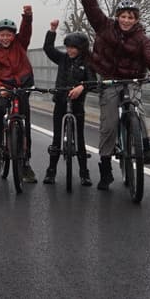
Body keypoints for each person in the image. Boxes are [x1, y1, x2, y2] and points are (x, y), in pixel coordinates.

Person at [76, 0, 150, 190]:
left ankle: (144, 147)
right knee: (109, 124)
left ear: (136, 20)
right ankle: (106, 168)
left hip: (133, 80)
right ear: (117, 16)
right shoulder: (105, 26)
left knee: (138, 109)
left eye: (131, 17)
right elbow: (92, 8)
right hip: (109, 79)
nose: (126, 20)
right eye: (123, 16)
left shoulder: (141, 38)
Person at [0, 8, 37, 184]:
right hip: (5, 88)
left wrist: (27, 16)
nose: (5, 38)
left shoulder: (20, 45)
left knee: (25, 124)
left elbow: (26, 30)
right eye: (2, 35)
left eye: (8, 35)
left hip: (23, 86)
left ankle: (26, 163)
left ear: (13, 36)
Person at [42, 20, 94, 187]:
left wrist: (82, 86)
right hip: (61, 101)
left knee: (80, 139)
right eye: (68, 47)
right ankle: (51, 172)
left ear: (82, 48)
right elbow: (48, 50)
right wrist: (52, 31)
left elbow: (92, 81)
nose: (70, 50)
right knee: (57, 138)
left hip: (78, 104)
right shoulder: (63, 59)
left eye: (74, 47)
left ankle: (84, 174)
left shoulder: (87, 63)